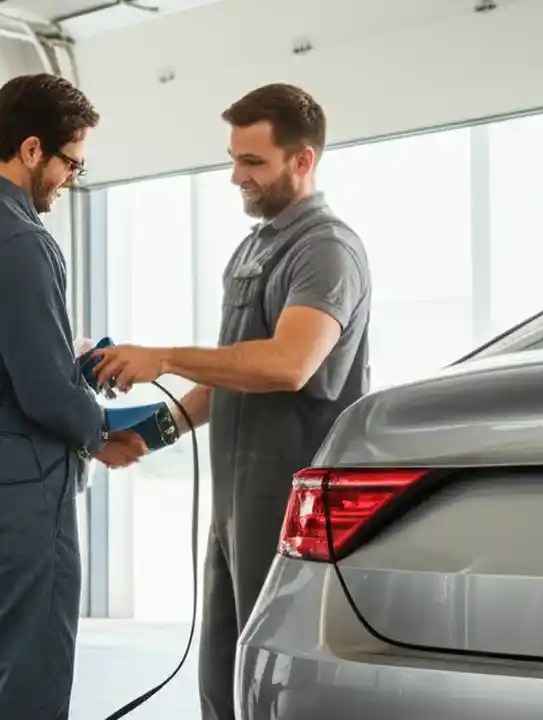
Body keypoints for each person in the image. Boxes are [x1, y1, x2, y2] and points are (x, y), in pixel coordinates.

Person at [89, 83, 372, 719]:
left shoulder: (326, 251)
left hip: (292, 509)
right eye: (233, 159)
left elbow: (288, 364)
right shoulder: (254, 247)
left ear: (302, 161)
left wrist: (162, 356)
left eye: (253, 163)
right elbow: (230, 375)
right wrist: (153, 432)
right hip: (232, 505)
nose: (235, 177)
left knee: (280, 685)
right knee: (224, 677)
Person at [0, 73, 148, 720]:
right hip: (10, 494)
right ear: (33, 149)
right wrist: (101, 434)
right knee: (24, 689)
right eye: (72, 162)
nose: (71, 179)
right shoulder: (21, 239)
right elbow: (43, 391)